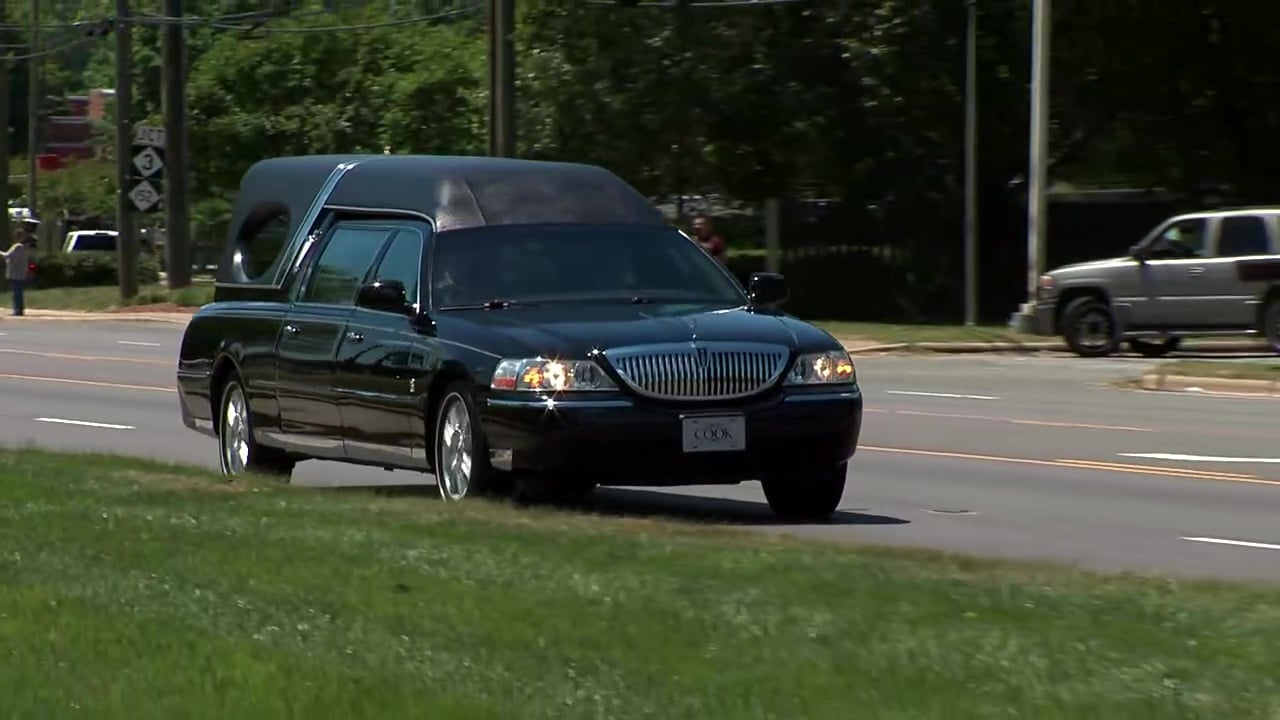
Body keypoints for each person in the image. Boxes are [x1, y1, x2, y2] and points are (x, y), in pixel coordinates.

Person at [1, 230, 31, 316]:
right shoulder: (24, 247)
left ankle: (18, 310)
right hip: (21, 272)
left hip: (15, 273)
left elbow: (8, 255)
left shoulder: (17, 247)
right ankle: (20, 309)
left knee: (16, 293)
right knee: (19, 292)